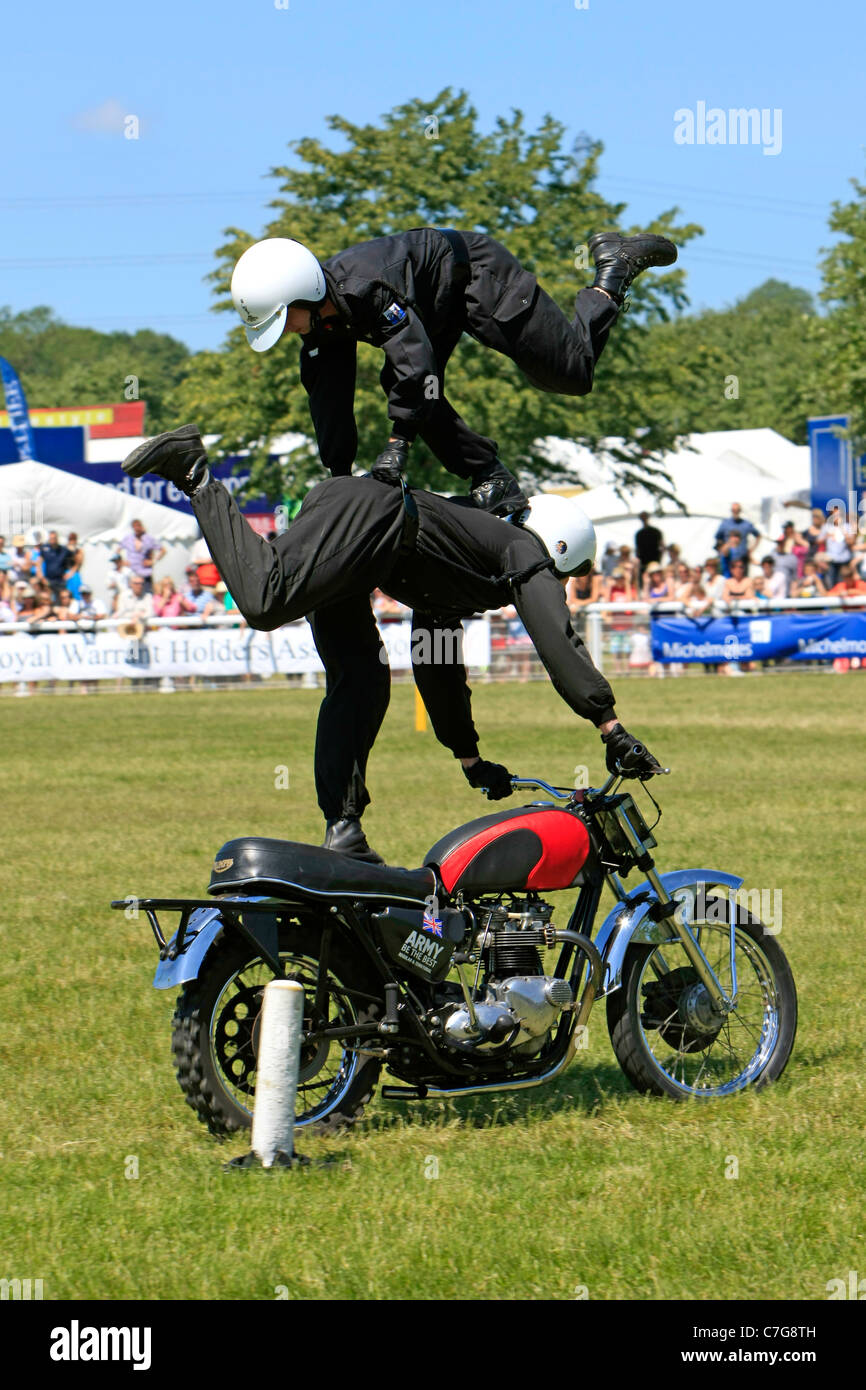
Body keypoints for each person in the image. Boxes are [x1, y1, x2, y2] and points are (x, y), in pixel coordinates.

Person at [123, 426, 664, 859]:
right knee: (265, 600)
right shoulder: (520, 548)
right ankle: (194, 471)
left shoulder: (467, 567)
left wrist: (469, 757)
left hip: (366, 538)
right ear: (559, 549)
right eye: (563, 576)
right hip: (370, 516)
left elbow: (437, 667)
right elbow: (555, 636)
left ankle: (344, 831)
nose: (557, 584)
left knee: (363, 680)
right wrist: (609, 725)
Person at [229, 228, 677, 517]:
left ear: (303, 293)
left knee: (573, 373)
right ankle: (491, 477)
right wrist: (339, 479)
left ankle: (613, 271)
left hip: (475, 276)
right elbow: (328, 400)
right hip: (430, 305)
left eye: (284, 318)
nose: (285, 331)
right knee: (411, 388)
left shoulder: (366, 289)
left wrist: (396, 445)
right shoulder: (319, 323)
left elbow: (416, 363)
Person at [715, 503, 760, 578]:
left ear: (740, 511)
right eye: (733, 510)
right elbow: (718, 538)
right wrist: (721, 550)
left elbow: (758, 535)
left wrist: (751, 550)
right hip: (728, 559)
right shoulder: (725, 523)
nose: (735, 512)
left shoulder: (746, 524)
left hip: (742, 559)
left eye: (737, 510)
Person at [121, 519, 164, 593]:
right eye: (134, 526)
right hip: (132, 572)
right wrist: (123, 561)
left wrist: (153, 561)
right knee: (131, 594)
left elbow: (163, 550)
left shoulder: (149, 539)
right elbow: (118, 550)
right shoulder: (128, 538)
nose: (136, 528)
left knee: (148, 594)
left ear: (142, 526)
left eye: (138, 526)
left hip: (145, 573)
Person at [36, 531, 72, 601]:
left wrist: (71, 572)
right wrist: (40, 575)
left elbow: (76, 558)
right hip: (48, 579)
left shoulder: (64, 550)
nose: (52, 540)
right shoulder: (44, 548)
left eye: (54, 538)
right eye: (51, 538)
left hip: (60, 580)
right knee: (49, 599)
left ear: (57, 539)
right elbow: (39, 562)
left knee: (61, 599)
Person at [634, 512, 664, 579]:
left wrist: (660, 560)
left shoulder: (656, 531)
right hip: (643, 564)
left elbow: (662, 547)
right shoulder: (638, 534)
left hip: (655, 561)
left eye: (645, 517)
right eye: (642, 517)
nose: (644, 519)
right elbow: (637, 550)